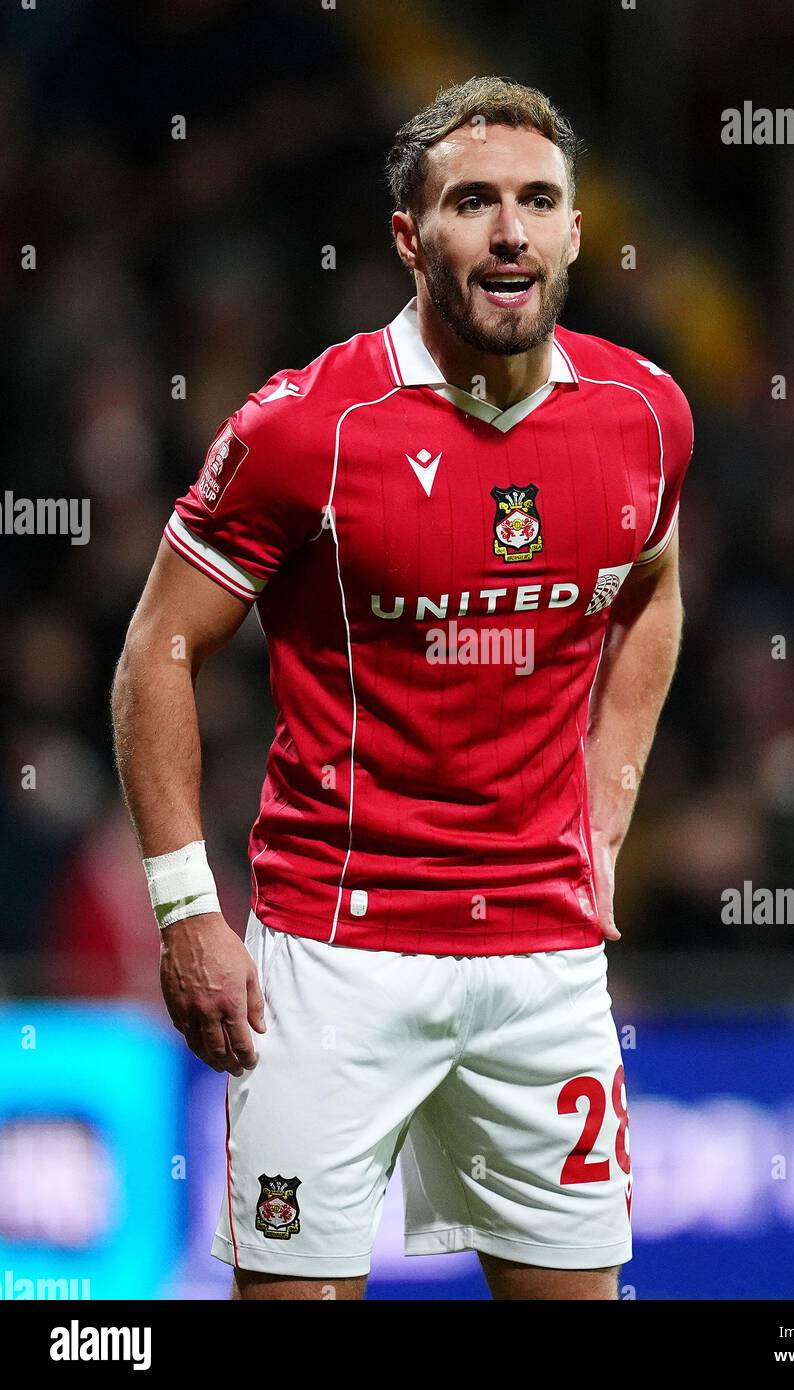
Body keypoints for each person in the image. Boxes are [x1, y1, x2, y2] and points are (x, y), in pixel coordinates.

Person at [111, 75, 693, 1301]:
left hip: (543, 957)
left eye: (538, 201)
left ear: (576, 230)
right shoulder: (302, 429)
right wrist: (183, 909)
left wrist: (608, 807)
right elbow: (156, 650)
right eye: (472, 202)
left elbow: (651, 593)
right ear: (406, 236)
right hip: (333, 953)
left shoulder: (645, 414)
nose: (508, 232)